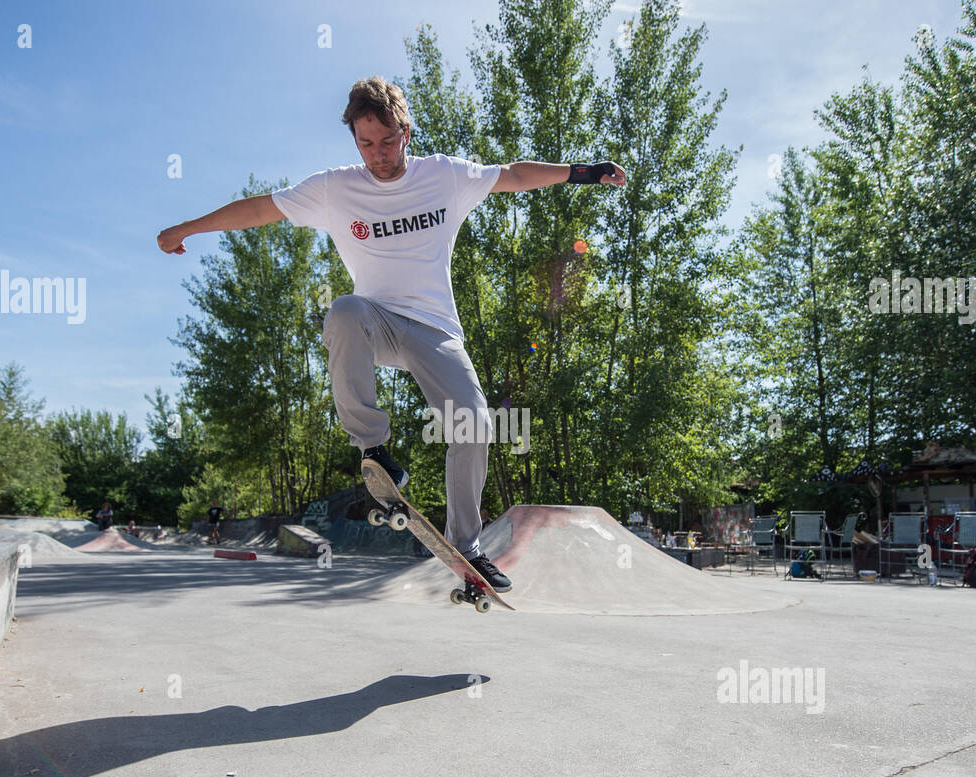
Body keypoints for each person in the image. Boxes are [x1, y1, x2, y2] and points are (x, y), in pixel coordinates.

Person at [159, 76, 627, 592]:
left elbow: (514, 175)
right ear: (353, 141)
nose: (377, 156)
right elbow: (260, 209)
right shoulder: (336, 188)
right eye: (365, 144)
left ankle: (467, 548)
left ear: (406, 132)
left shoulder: (445, 176)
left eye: (386, 141)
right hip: (374, 323)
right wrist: (187, 228)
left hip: (435, 330)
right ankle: (374, 452)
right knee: (341, 311)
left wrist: (583, 172)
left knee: (474, 426)